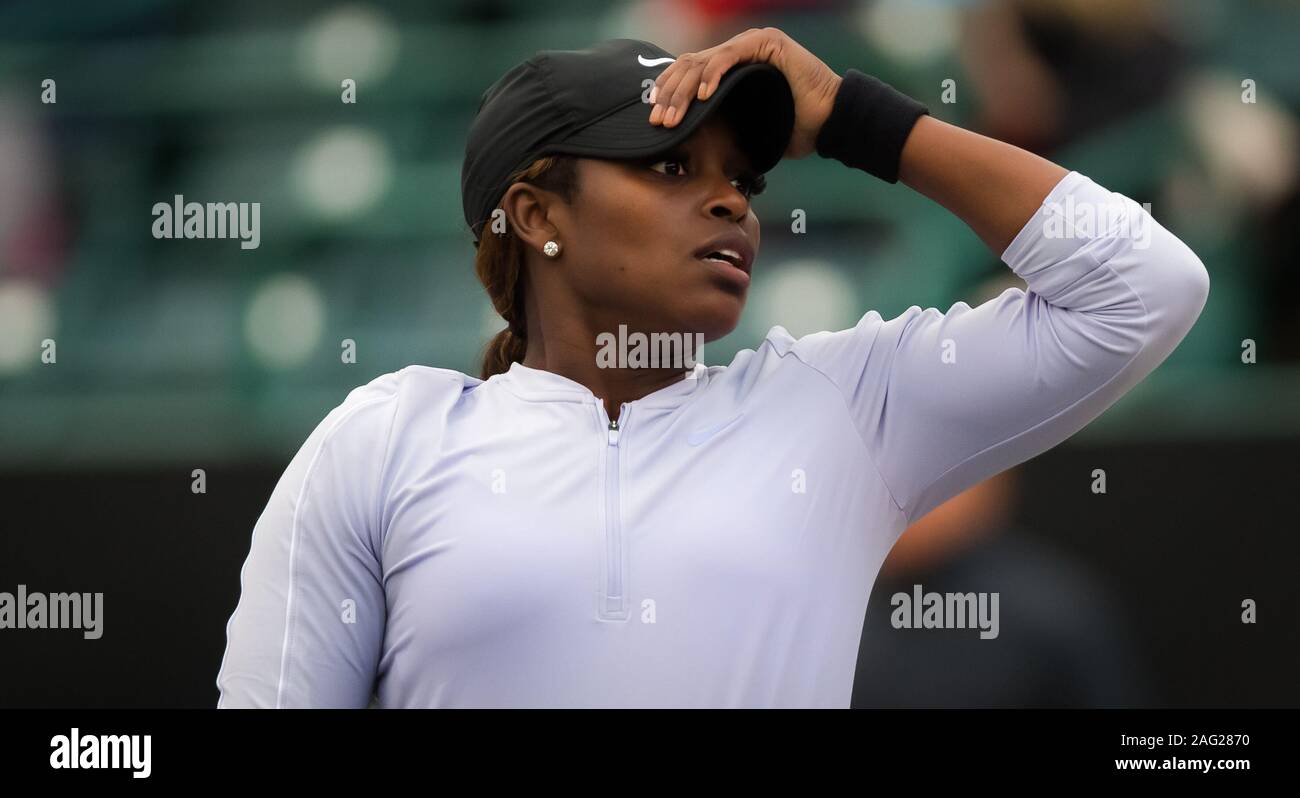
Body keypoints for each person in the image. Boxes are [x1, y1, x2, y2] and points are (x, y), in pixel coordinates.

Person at [215, 30, 1209, 708]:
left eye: (741, 176)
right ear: (537, 215)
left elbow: (1144, 287)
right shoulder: (384, 439)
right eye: (670, 167)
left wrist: (864, 122)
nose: (732, 202)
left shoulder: (835, 410)